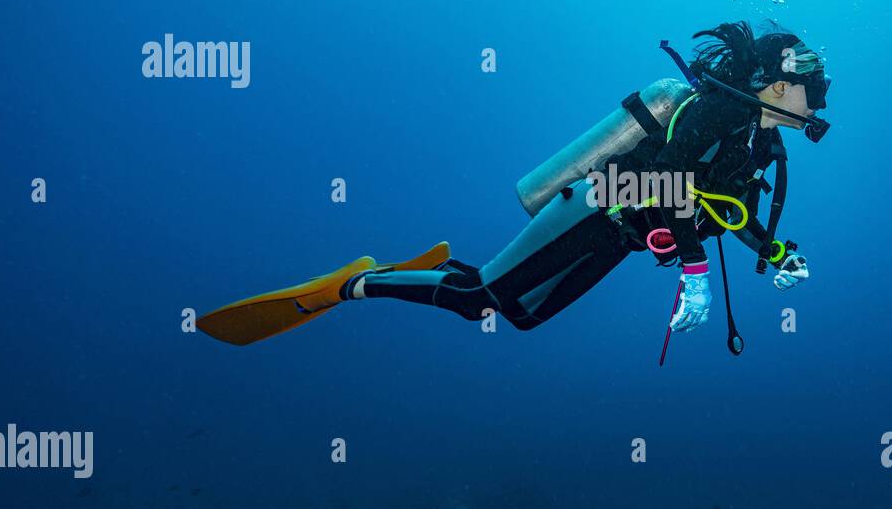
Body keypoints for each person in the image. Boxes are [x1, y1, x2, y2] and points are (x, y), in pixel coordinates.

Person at [198, 22, 829, 345]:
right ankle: (352, 283)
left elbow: (721, 205)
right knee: (481, 300)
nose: (817, 101)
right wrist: (695, 275)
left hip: (620, 237)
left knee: (520, 315)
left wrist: (776, 251)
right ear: (778, 83)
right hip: (595, 206)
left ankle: (437, 271)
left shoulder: (758, 139)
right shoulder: (720, 113)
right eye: (812, 88)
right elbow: (661, 181)